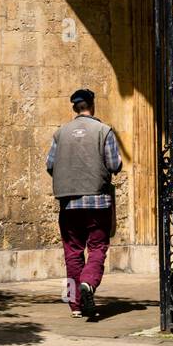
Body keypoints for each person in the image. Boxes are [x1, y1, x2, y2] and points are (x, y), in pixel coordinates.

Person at [46, 88, 122, 319]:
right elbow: (114, 164)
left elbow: (50, 165)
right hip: (97, 201)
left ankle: (74, 304)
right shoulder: (104, 131)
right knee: (98, 247)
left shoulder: (60, 133)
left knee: (72, 252)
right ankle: (88, 283)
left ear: (74, 108)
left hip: (68, 203)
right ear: (92, 105)